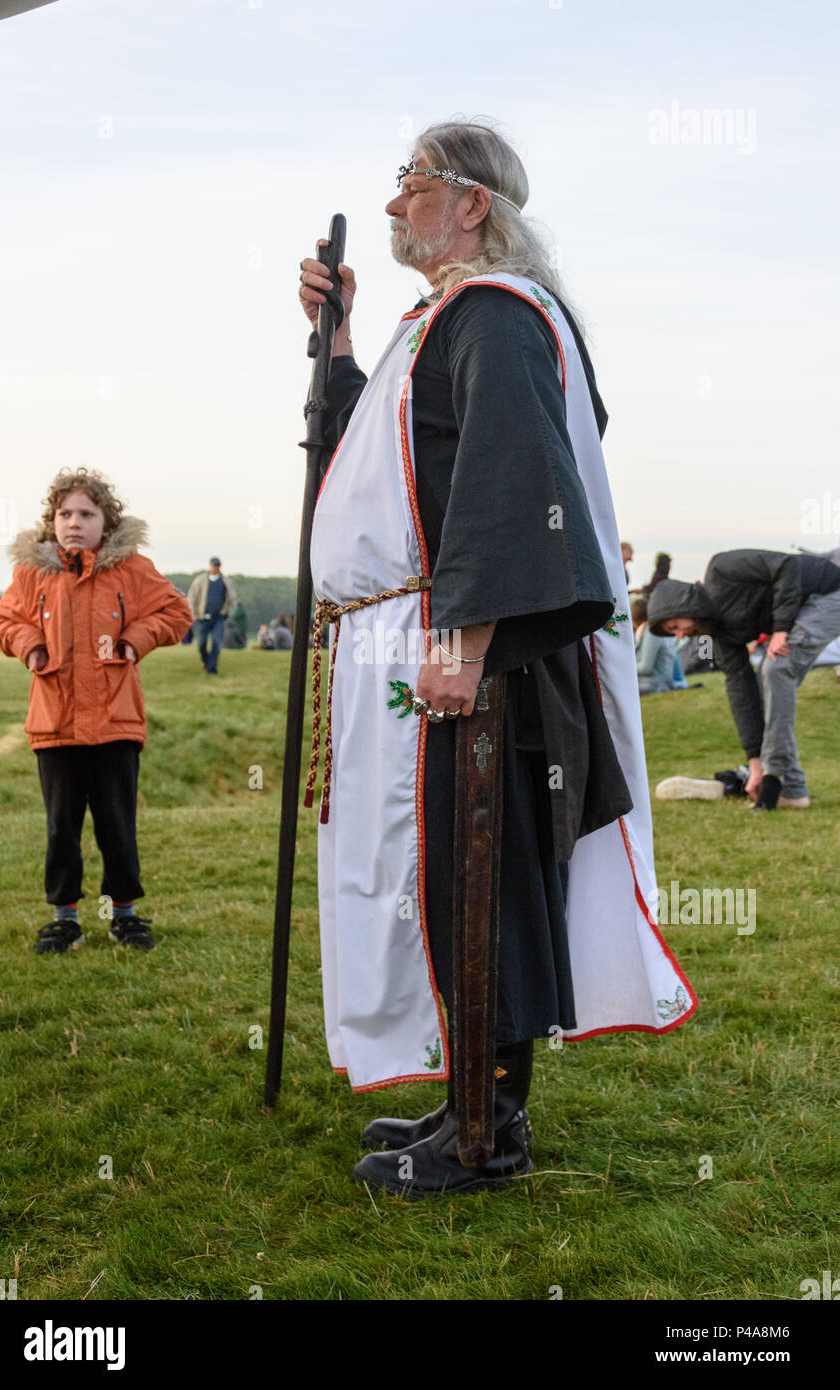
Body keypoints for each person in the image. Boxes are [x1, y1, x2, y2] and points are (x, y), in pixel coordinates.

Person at [298, 120, 696, 1196]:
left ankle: (488, 1133)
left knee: (480, 879)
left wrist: (463, 643)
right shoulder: (437, 322)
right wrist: (335, 343)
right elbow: (374, 466)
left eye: (410, 182)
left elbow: (510, 479)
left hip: (470, 652)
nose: (391, 204)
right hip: (423, 638)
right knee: (444, 883)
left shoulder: (495, 316)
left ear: (471, 203)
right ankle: (465, 1097)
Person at [0, 467, 192, 952]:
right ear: (51, 521)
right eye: (64, 513)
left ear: (107, 520)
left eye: (86, 513)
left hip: (116, 724)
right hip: (54, 726)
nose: (74, 522)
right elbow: (2, 618)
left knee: (116, 824)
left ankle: (125, 915)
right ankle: (65, 920)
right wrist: (30, 643)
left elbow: (177, 612)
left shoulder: (132, 570)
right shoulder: (31, 575)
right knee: (62, 827)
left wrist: (135, 640)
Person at [647, 546, 840, 809]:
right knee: (766, 683)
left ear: (681, 605)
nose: (679, 636)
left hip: (830, 591)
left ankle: (782, 783)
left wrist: (781, 629)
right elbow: (743, 696)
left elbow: (786, 565)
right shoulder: (721, 638)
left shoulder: (722, 569)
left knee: (776, 668)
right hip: (804, 608)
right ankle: (790, 788)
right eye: (672, 634)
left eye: (674, 626)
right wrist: (755, 763)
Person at [186, 557, 237, 675]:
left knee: (216, 643)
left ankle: (212, 669)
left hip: (218, 618)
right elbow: (192, 597)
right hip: (201, 618)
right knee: (201, 644)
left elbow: (231, 598)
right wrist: (192, 613)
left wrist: (227, 610)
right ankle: (206, 661)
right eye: (214, 565)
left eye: (218, 565)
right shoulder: (200, 580)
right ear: (210, 566)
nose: (216, 567)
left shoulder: (225, 581)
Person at [631, 597, 675, 694]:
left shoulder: (651, 632)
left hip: (657, 684)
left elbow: (646, 668)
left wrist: (625, 668)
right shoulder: (646, 631)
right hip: (651, 681)